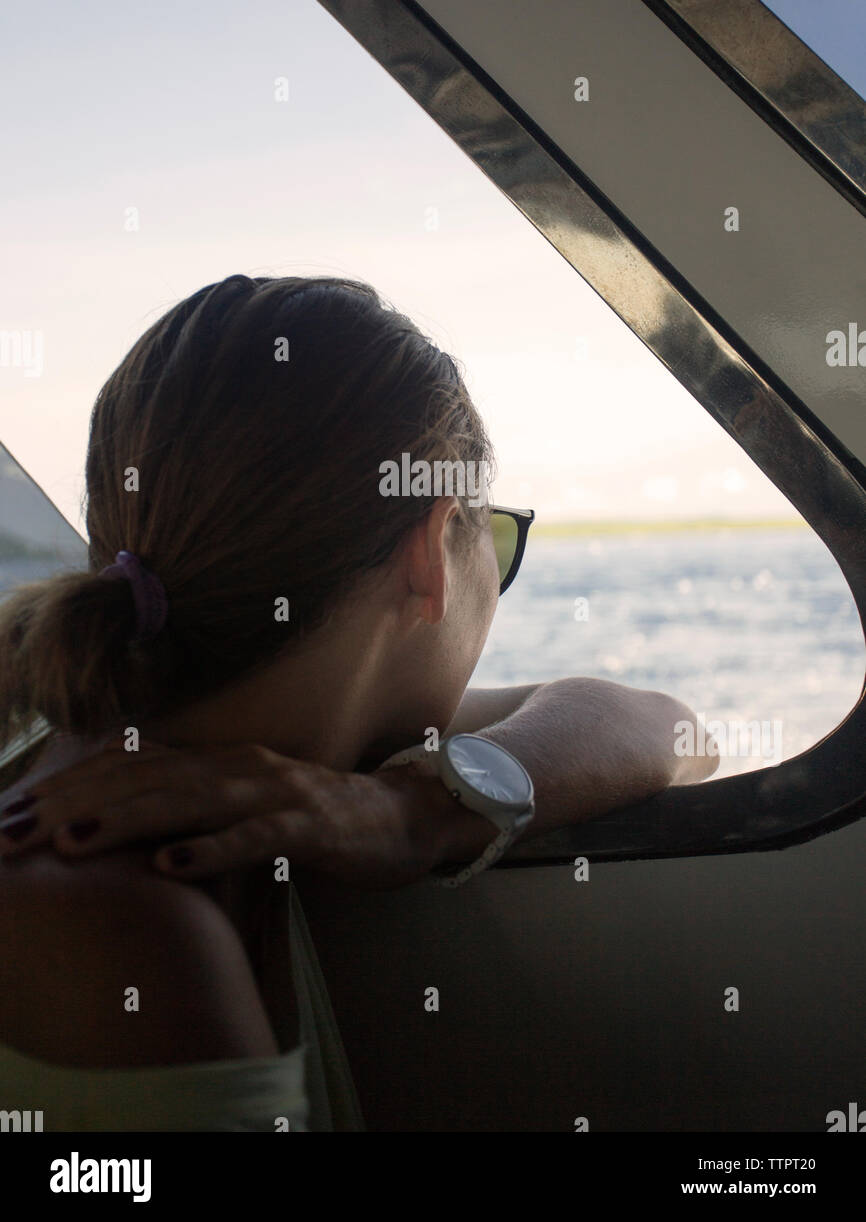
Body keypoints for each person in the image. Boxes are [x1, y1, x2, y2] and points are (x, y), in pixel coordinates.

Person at [0, 273, 717, 1132]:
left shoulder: (248, 744)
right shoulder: (127, 929)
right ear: (429, 553)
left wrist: (419, 808)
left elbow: (665, 724)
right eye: (492, 535)